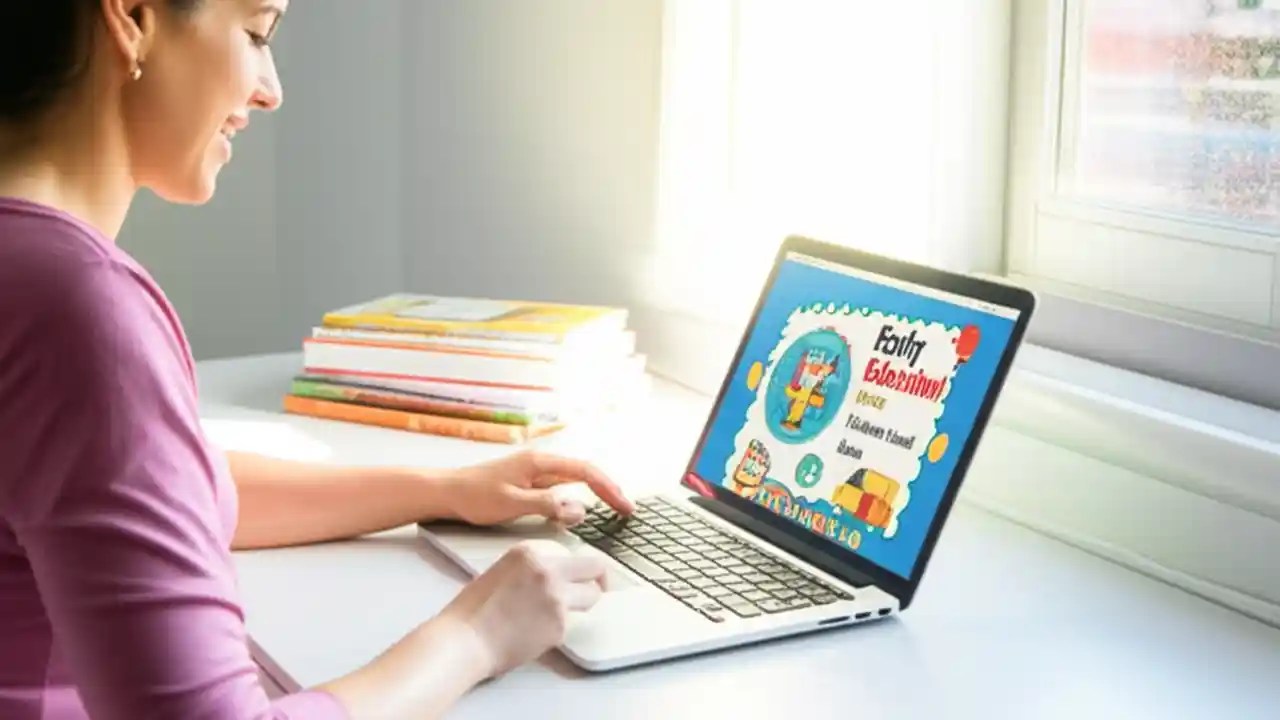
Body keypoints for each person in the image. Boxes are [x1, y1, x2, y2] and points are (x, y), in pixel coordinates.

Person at [0, 2, 635, 718]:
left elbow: (146, 494)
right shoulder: (78, 310)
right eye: (255, 33)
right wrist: (477, 634)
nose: (270, 89)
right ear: (134, 15)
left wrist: (439, 488)